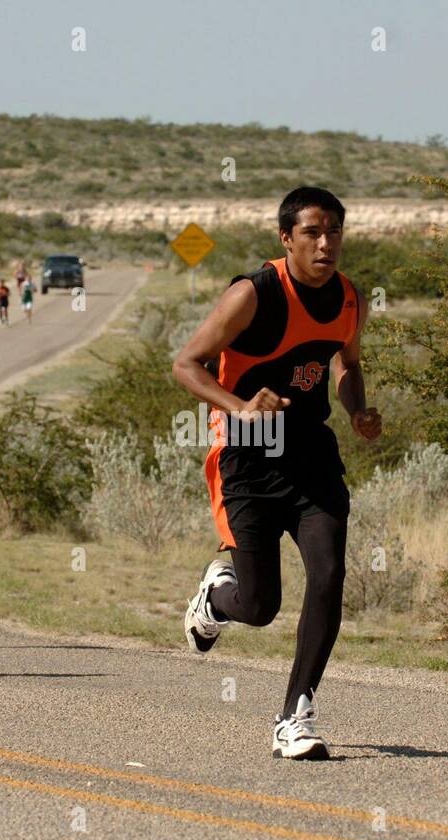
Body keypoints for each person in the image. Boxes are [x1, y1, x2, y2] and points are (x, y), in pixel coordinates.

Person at [171, 187, 382, 760]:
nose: (325, 243)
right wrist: (238, 407)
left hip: (312, 453)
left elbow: (348, 363)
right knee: (260, 606)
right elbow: (185, 364)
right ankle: (217, 601)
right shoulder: (254, 294)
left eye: (334, 231)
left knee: (330, 571)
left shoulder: (347, 299)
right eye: (313, 232)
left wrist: (357, 408)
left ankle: (295, 715)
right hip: (248, 453)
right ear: (286, 238)